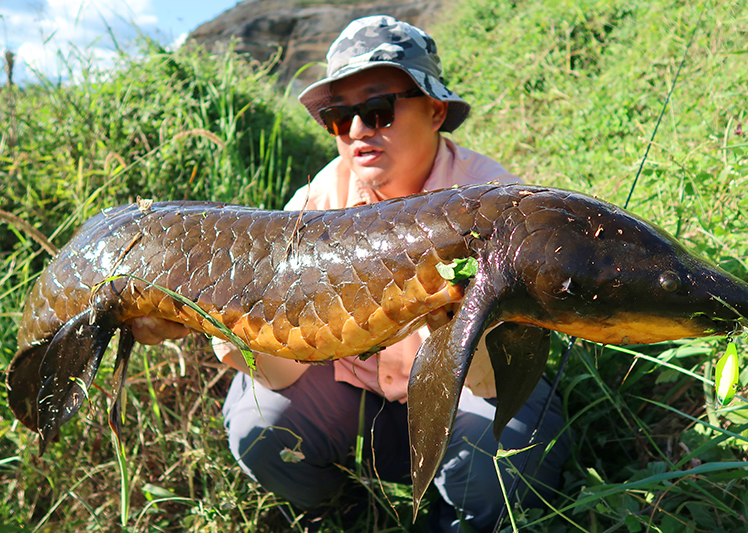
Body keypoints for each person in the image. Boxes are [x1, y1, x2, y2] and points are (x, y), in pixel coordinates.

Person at [131, 15, 569, 532]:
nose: (359, 130)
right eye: (341, 117)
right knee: (261, 428)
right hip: (352, 395)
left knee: (511, 463)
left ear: (434, 111)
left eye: (378, 110)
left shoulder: (497, 206)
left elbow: (503, 372)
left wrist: (460, 322)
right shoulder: (314, 207)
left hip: (467, 391)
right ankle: (345, 505)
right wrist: (214, 320)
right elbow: (280, 372)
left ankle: (458, 518)